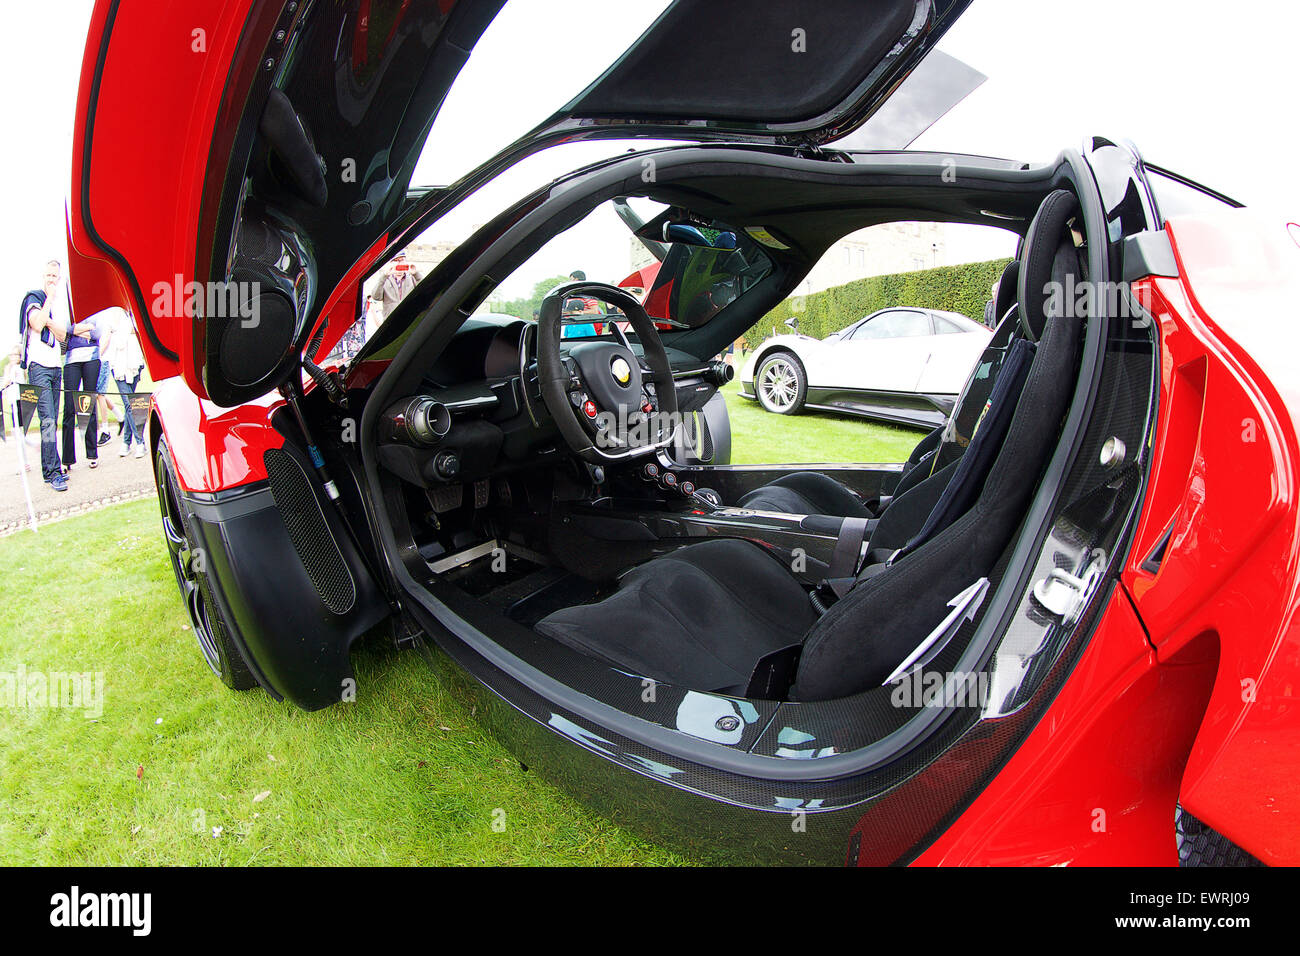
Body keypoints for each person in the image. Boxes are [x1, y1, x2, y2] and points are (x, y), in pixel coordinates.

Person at [21, 260, 69, 491]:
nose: (52, 279)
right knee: (47, 419)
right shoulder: (34, 299)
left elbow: (62, 335)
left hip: (54, 366)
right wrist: (48, 301)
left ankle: (52, 469)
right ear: (43, 276)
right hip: (38, 367)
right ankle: (53, 473)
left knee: (53, 420)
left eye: (55, 277)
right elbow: (38, 325)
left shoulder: (57, 305)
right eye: (49, 275)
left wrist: (48, 318)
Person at [62, 299, 105, 470]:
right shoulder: (68, 307)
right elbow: (67, 328)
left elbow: (97, 333)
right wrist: (87, 328)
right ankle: (67, 459)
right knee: (69, 409)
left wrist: (77, 330)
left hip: (92, 360)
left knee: (88, 405)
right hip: (72, 360)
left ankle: (92, 453)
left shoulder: (96, 309)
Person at [98, 306, 147, 457]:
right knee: (128, 403)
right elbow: (107, 336)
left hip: (134, 362)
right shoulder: (109, 314)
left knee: (129, 404)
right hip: (117, 364)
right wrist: (99, 356)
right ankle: (140, 442)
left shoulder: (132, 310)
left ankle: (126, 441)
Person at [376, 251, 422, 320]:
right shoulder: (385, 280)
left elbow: (424, 292)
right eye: (396, 260)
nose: (399, 263)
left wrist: (416, 274)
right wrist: (384, 276)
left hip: (409, 320)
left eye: (401, 260)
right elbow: (376, 297)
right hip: (390, 321)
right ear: (391, 263)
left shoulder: (412, 278)